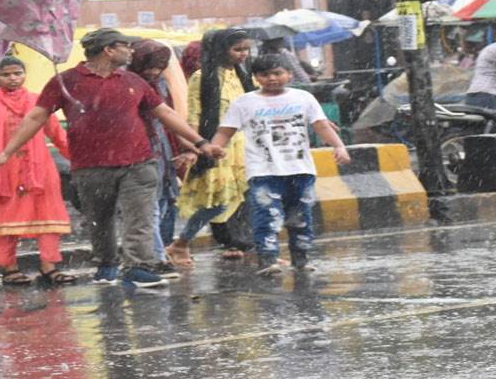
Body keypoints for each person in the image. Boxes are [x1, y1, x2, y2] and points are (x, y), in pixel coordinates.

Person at [0, 28, 223, 288]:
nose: (130, 51)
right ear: (109, 50)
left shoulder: (133, 81)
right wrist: (7, 152)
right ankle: (106, 265)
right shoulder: (66, 82)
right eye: (125, 46)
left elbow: (165, 113)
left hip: (138, 162)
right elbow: (37, 117)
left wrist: (200, 143)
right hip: (91, 165)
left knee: (138, 216)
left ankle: (138, 267)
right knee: (100, 219)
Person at [211, 53, 353, 275]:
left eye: (277, 73)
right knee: (266, 217)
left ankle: (301, 259)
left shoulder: (303, 98)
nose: (272, 79)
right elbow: (226, 130)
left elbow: (321, 125)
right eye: (265, 75)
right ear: (256, 77)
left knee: (301, 218)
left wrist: (339, 146)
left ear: (289, 74)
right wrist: (216, 148)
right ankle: (268, 260)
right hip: (263, 172)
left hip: (300, 170)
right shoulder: (245, 102)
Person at [0, 56, 74, 285]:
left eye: (18, 73)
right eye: (6, 74)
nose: (13, 79)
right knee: (5, 219)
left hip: (39, 168)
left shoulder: (39, 101)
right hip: (1, 170)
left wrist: (78, 157)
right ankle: (10, 268)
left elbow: (57, 134)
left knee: (48, 216)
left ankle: (49, 267)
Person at [166, 28, 256, 268]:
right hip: (218, 147)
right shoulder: (202, 77)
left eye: (246, 49)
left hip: (246, 147)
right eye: (237, 49)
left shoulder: (244, 75)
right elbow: (195, 115)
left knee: (249, 199)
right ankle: (181, 242)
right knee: (218, 201)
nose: (243, 54)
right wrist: (194, 147)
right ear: (220, 50)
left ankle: (257, 247)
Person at [129, 39, 194, 276]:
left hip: (163, 147)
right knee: (151, 208)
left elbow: (168, 117)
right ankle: (155, 257)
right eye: (151, 66)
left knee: (165, 202)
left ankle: (160, 251)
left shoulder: (160, 83)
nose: (154, 71)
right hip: (141, 150)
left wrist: (186, 146)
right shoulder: (129, 84)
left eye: (160, 66)